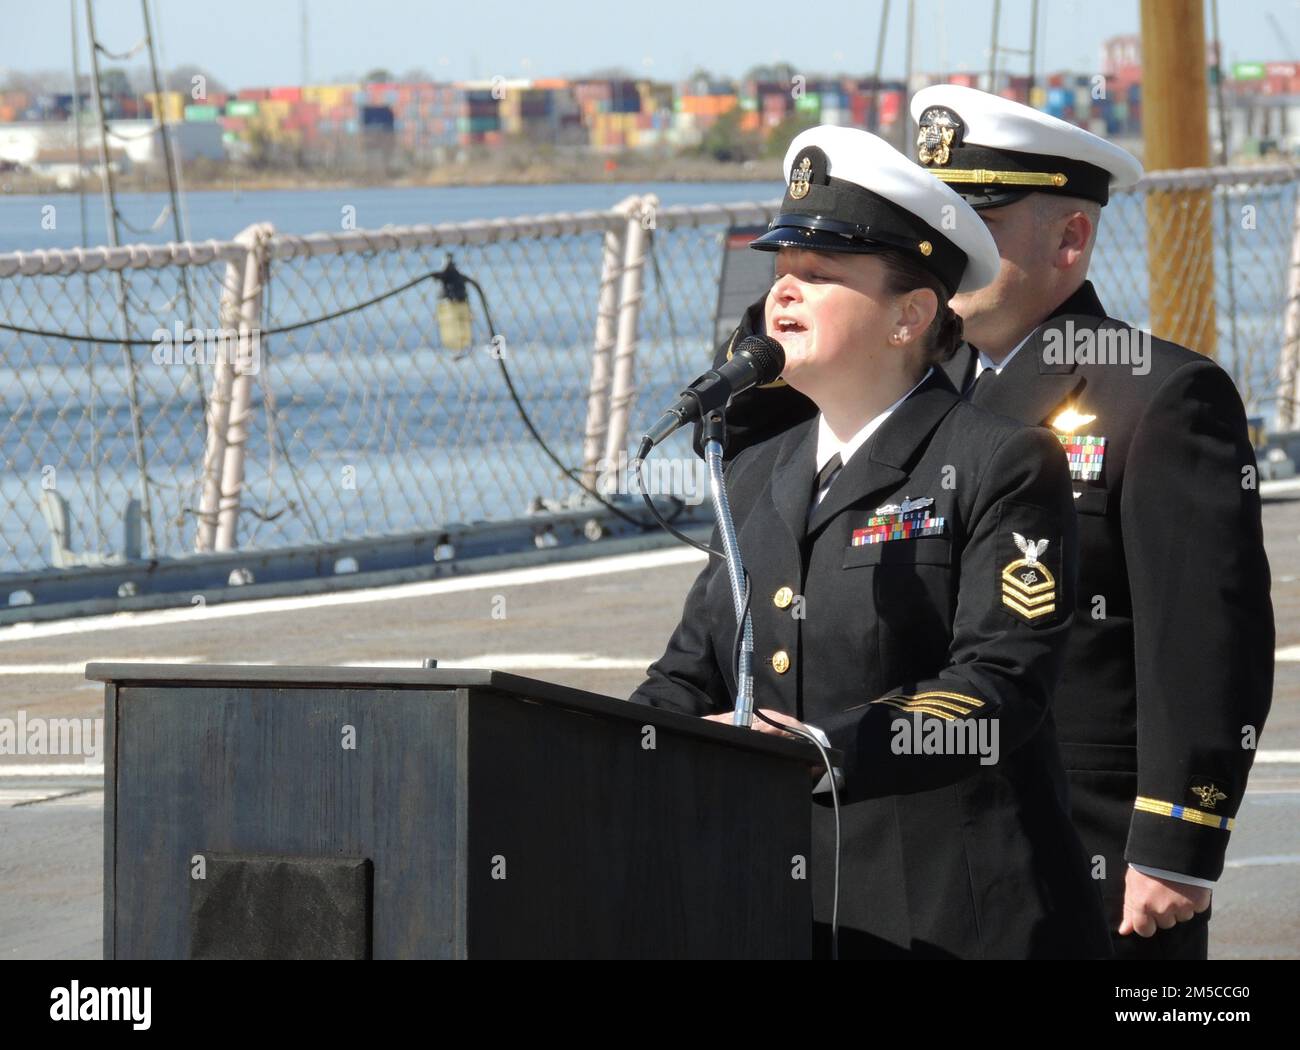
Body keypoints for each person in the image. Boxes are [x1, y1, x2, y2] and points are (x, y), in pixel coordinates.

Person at [699, 86, 1275, 960]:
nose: (943, 246)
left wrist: (1178, 843)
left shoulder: (1155, 396)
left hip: (1086, 843)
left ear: (1070, 240)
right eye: (926, 222)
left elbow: (1205, 633)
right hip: (892, 834)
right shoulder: (900, 383)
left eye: (976, 220)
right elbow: (758, 458)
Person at [631, 125, 1111, 959]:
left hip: (958, 914)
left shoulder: (1001, 461)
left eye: (819, 277)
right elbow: (689, 673)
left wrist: (818, 749)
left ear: (910, 316)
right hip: (795, 909)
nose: (784, 294)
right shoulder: (753, 471)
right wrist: (578, 751)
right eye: (781, 273)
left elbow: (996, 690)